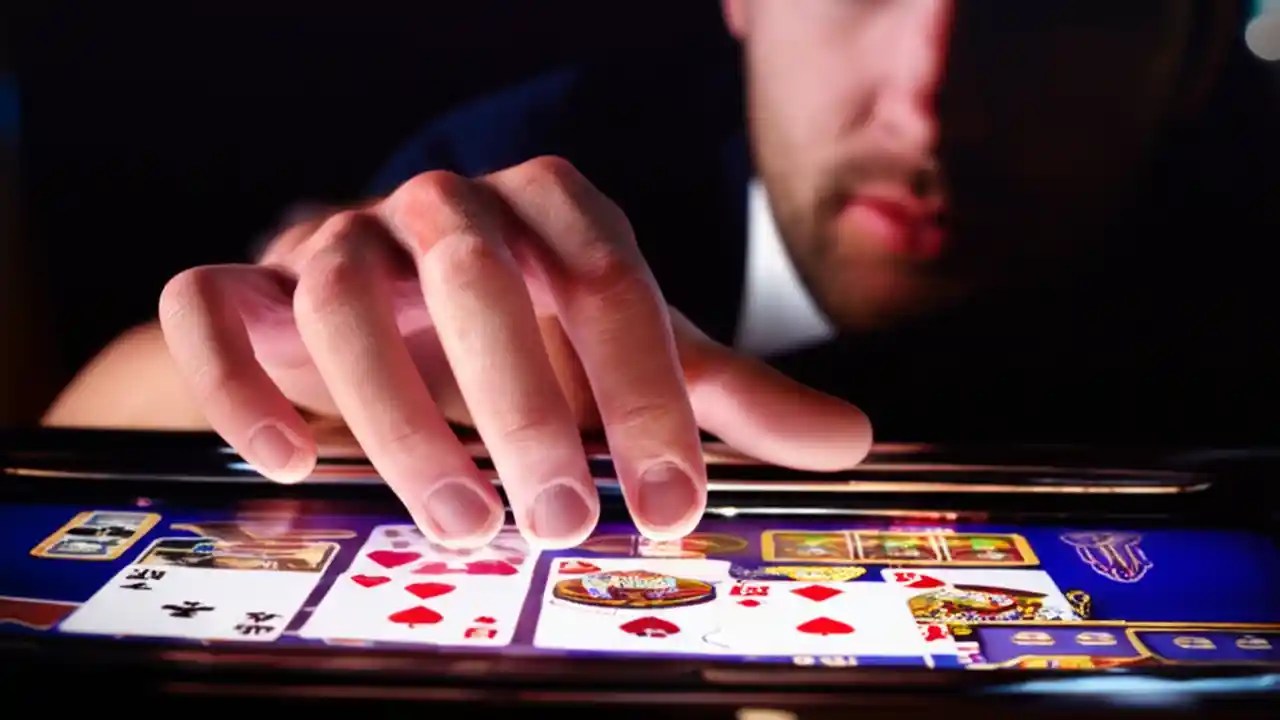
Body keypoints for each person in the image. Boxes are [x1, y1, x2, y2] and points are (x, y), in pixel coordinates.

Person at [43, 1, 1280, 550]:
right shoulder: (521, 170)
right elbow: (79, 448)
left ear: (1191, 47)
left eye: (1052, 6)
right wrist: (297, 395)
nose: (925, 99)